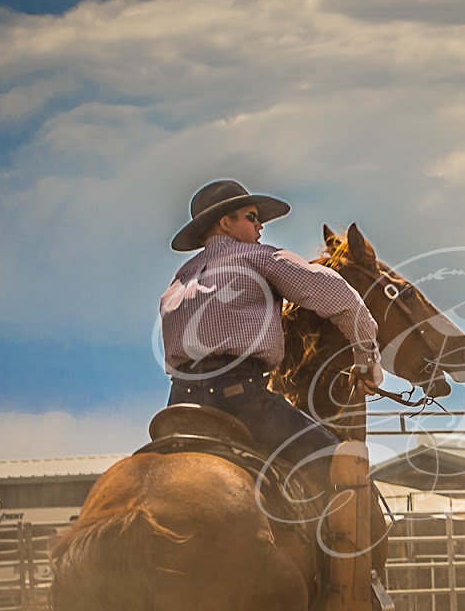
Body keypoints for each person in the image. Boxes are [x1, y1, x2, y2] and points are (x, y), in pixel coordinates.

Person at [160, 178, 383, 464]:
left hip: (179, 405)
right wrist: (366, 358)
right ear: (226, 223)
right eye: (252, 217)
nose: (260, 226)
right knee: (334, 462)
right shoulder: (259, 258)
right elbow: (338, 295)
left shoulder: (177, 282)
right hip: (240, 398)